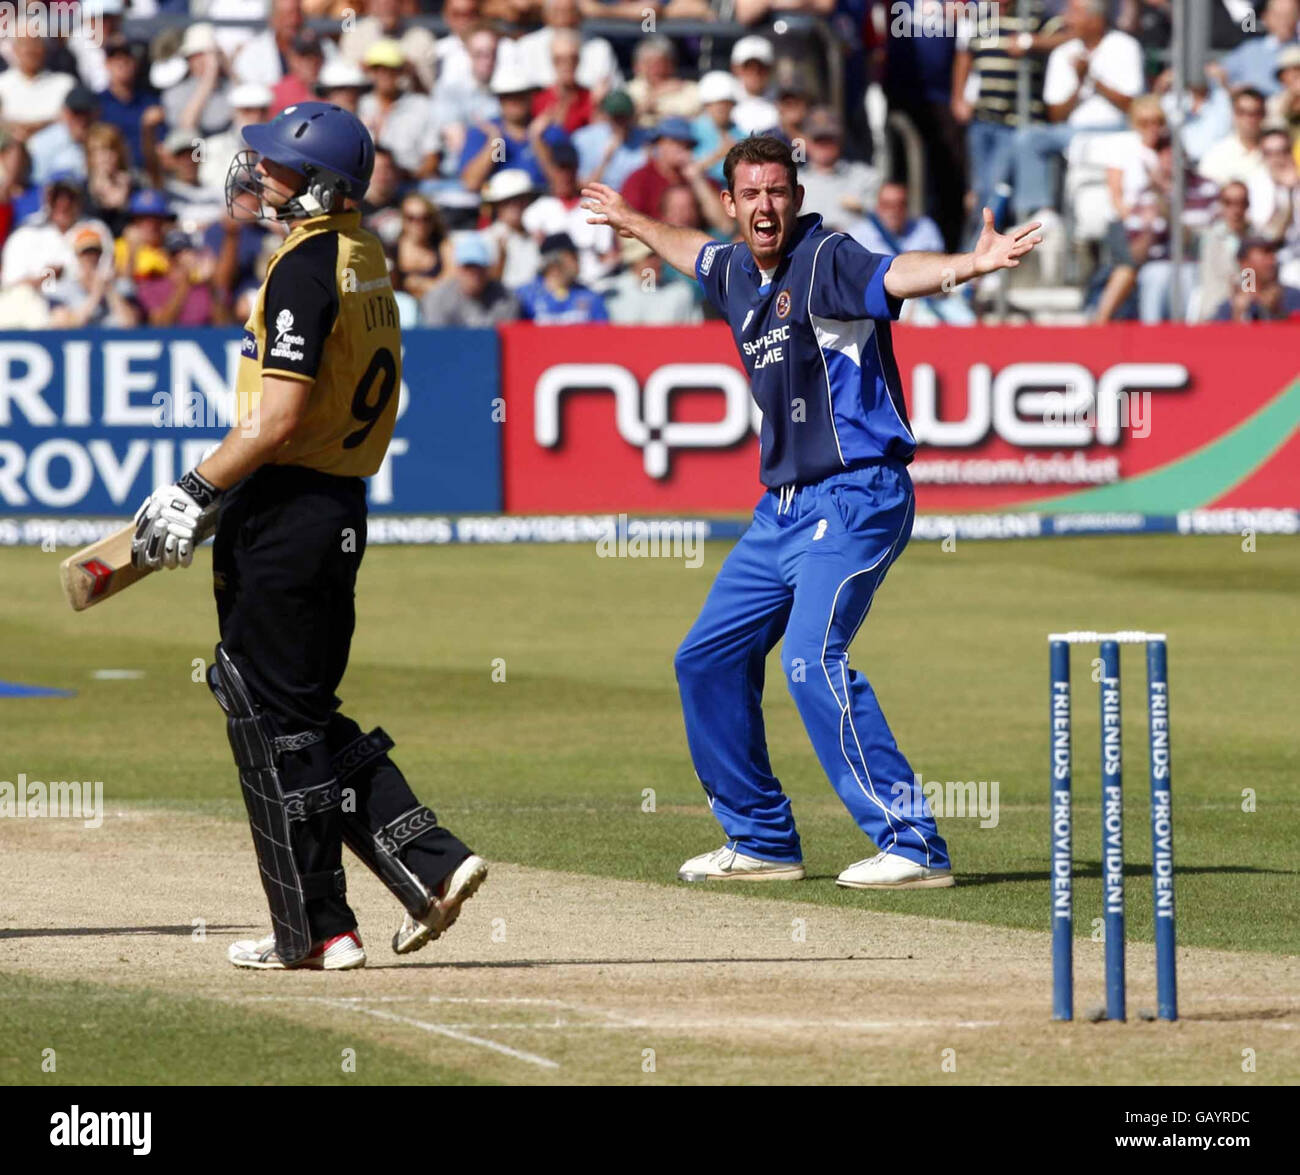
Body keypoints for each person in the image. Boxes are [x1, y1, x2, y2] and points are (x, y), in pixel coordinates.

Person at [582, 136, 1042, 887]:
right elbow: (690, 249)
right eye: (750, 194)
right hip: (782, 511)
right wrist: (633, 220)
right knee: (706, 659)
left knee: (809, 658)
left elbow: (897, 274)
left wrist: (969, 265)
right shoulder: (734, 268)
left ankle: (912, 841)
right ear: (730, 204)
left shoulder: (828, 256)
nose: (766, 206)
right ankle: (761, 839)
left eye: (778, 191)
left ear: (795, 197)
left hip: (859, 494)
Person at [129, 101, 487, 971]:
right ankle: (422, 865)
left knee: (269, 716)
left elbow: (281, 414)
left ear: (317, 185)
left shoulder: (304, 267)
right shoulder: (362, 253)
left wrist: (195, 488)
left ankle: (319, 930)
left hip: (288, 514)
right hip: (332, 509)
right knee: (296, 708)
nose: (254, 177)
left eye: (273, 168)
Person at [1013, 0, 1143, 223]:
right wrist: (1078, 83)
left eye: (1074, 12)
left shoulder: (1125, 46)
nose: (1066, 18)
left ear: (1096, 20)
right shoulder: (1063, 53)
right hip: (1072, 130)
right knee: (1028, 138)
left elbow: (1132, 105)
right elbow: (1056, 115)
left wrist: (1091, 76)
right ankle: (1042, 214)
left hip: (1115, 128)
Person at [796, 107, 881, 234]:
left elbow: (885, 222)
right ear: (807, 143)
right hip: (810, 248)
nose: (824, 146)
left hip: (855, 247)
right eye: (818, 140)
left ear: (841, 140)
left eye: (830, 139)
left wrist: (863, 208)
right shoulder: (796, 180)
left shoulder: (866, 178)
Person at [421, 231, 519, 325]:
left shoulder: (506, 298)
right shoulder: (438, 299)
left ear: (488, 269)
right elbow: (436, 338)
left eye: (479, 266)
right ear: (458, 268)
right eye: (468, 266)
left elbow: (508, 336)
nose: (473, 273)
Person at [516, 231, 608, 323]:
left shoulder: (590, 297)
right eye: (572, 256)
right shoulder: (525, 296)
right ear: (553, 263)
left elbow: (604, 333)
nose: (578, 260)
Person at [1212, 236, 1300, 319]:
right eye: (1265, 253)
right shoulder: (1230, 308)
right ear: (1244, 262)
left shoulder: (1294, 297)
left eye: (1273, 253)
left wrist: (1277, 312)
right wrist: (1238, 314)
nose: (1272, 260)